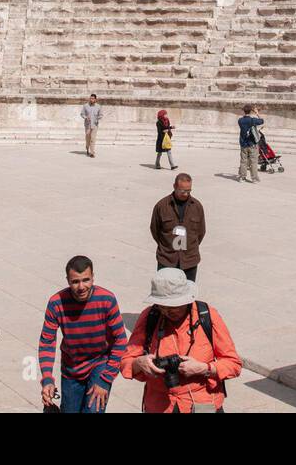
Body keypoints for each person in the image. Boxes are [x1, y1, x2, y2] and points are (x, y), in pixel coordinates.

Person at [119, 268, 242, 413]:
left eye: (173, 307)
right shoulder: (150, 316)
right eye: (162, 307)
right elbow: (126, 362)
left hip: (202, 402)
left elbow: (233, 364)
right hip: (160, 405)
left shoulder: (207, 315)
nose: (167, 312)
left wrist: (204, 369)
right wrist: (139, 363)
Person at [38, 255, 128, 413]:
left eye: (86, 280)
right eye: (75, 281)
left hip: (99, 364)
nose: (81, 287)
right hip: (71, 369)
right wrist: (47, 379)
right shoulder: (56, 303)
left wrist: (106, 379)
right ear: (67, 280)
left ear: (93, 278)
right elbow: (47, 342)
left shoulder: (107, 300)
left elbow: (120, 340)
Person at [150, 173, 204, 281]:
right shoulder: (162, 206)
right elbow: (155, 230)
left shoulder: (197, 206)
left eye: (188, 191)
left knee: (188, 294)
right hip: (167, 260)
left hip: (189, 260)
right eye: (182, 191)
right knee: (165, 294)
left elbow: (201, 232)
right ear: (174, 186)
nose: (185, 194)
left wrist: (189, 245)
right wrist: (167, 246)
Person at [237, 104, 263, 183]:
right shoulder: (253, 120)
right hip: (252, 144)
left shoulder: (240, 120)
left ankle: (242, 177)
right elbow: (262, 121)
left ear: (244, 111)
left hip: (243, 144)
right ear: (251, 111)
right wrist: (257, 113)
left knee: (243, 161)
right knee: (253, 162)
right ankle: (254, 179)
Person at [80, 93, 101, 158]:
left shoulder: (98, 106)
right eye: (90, 98)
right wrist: (86, 117)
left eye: (93, 98)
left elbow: (101, 115)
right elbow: (82, 114)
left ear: (95, 99)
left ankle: (92, 152)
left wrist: (97, 119)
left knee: (93, 138)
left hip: (94, 125)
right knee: (87, 138)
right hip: (87, 125)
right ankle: (87, 147)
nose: (91, 99)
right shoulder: (85, 106)